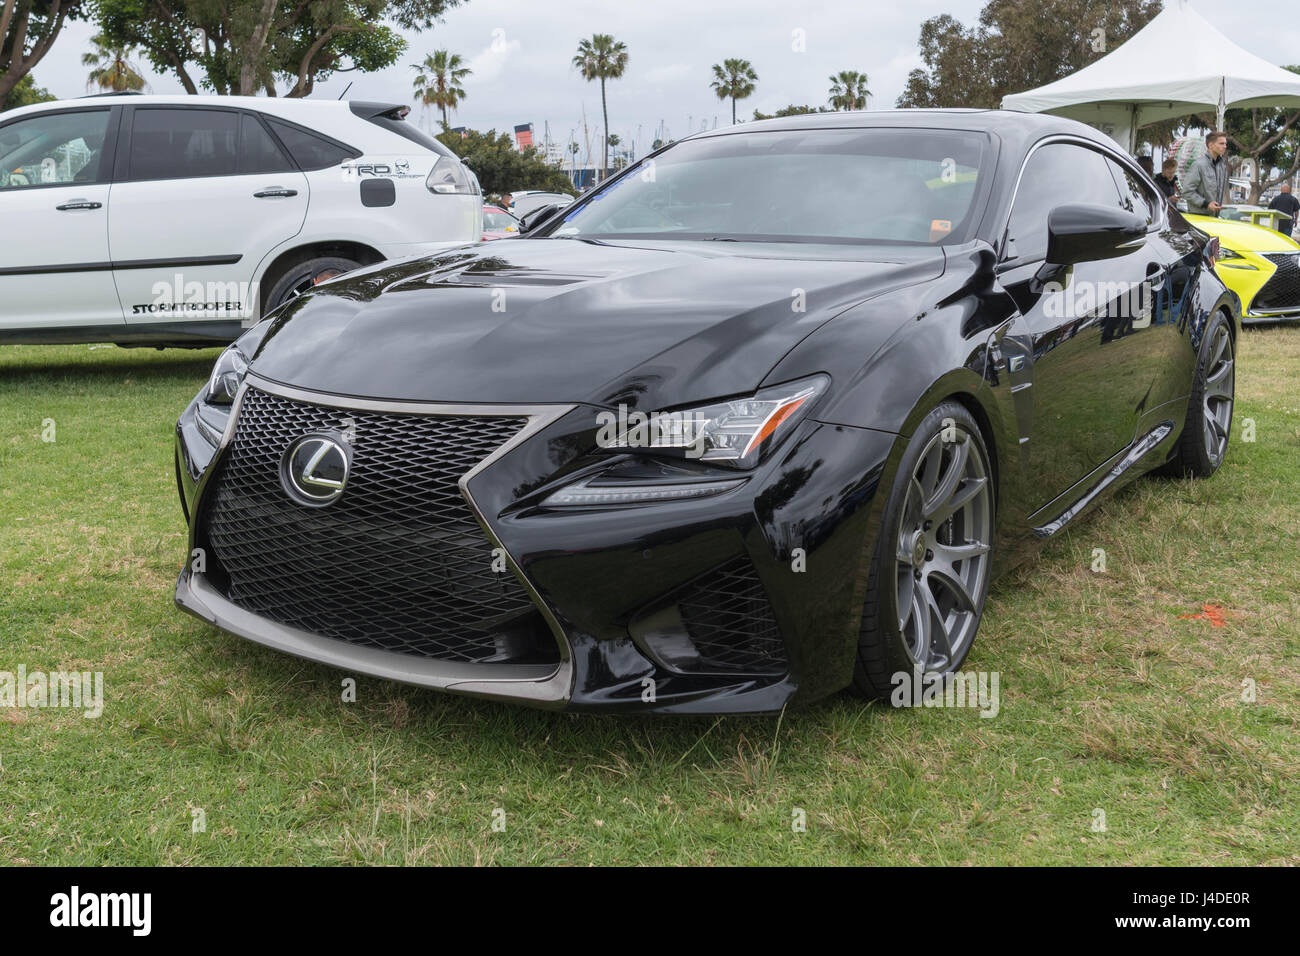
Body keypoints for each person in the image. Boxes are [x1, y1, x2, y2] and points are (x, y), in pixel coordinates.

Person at [1183, 130, 1229, 216]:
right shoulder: (1198, 165)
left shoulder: (1222, 167)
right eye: (1221, 143)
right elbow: (1187, 192)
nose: (1225, 146)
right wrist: (1206, 204)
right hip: (1198, 217)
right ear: (1210, 145)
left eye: (1225, 144)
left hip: (1214, 217)